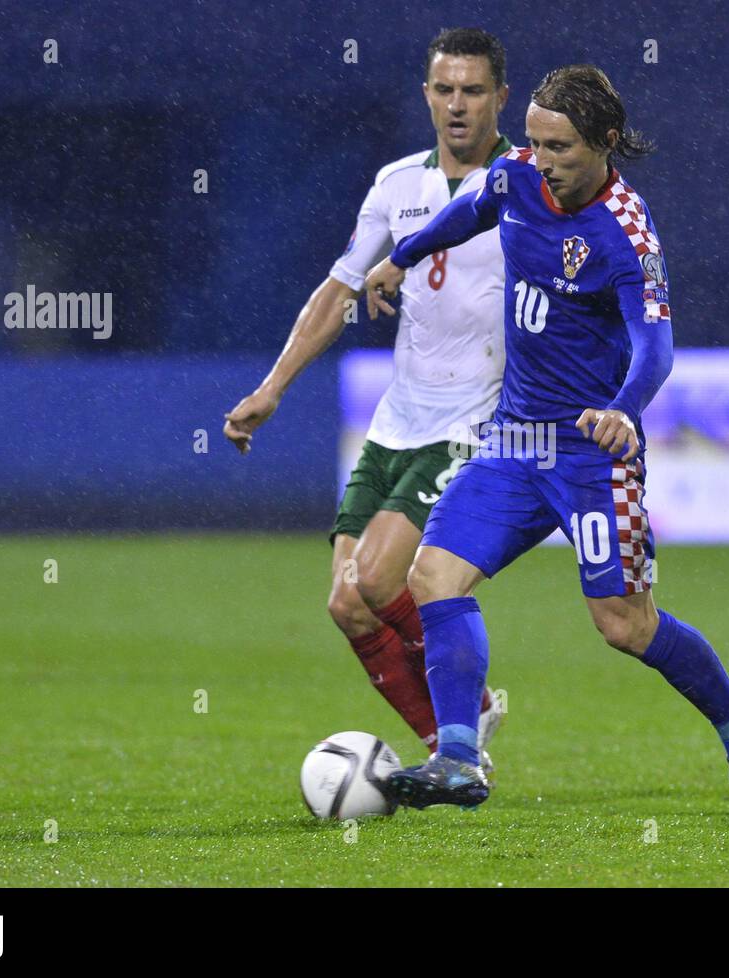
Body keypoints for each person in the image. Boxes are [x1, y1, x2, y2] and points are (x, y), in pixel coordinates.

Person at [363, 64, 729, 822]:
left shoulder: (626, 233)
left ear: (604, 141)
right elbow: (469, 212)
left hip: (592, 453)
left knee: (626, 626)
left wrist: (624, 409)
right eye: (533, 141)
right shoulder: (516, 177)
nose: (541, 159)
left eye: (559, 147)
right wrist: (405, 253)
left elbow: (655, 347)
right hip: (512, 441)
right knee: (433, 577)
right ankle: (458, 757)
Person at [224, 28, 512, 768]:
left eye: (473, 90)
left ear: (500, 98)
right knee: (348, 603)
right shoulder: (396, 185)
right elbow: (338, 289)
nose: (457, 105)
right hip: (396, 421)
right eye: (444, 90)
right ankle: (452, 748)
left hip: (473, 418)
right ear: (426, 96)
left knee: (383, 579)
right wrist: (272, 388)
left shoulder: (525, 189)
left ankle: (470, 710)